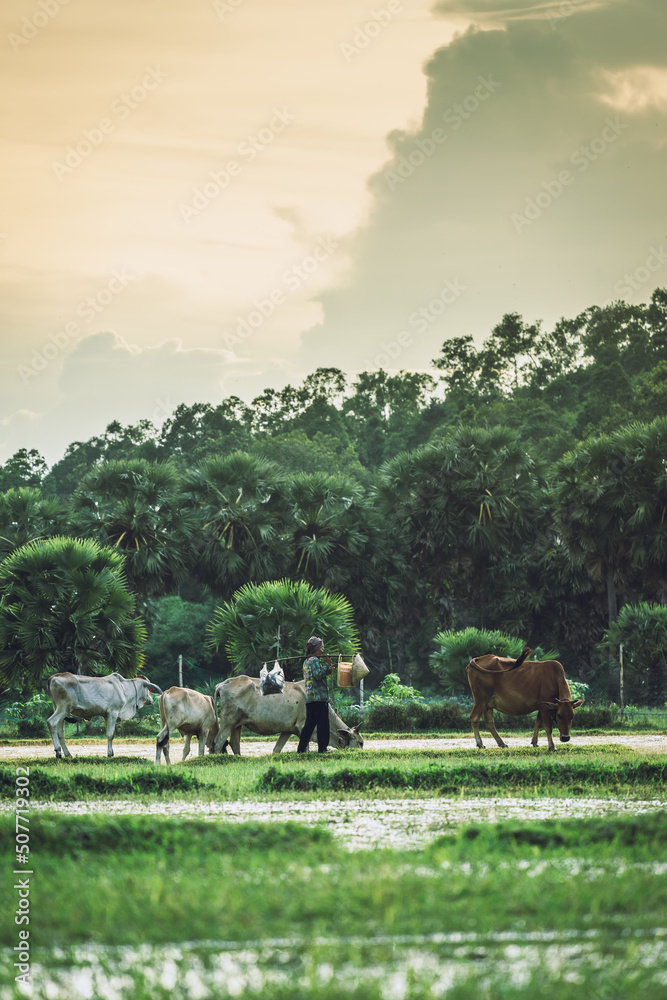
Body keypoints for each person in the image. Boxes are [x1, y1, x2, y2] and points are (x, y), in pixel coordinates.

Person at [296, 635, 333, 753]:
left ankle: (301, 749)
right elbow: (317, 675)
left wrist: (326, 672)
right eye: (321, 647)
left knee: (309, 725)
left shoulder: (307, 661)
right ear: (316, 648)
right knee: (323, 724)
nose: (323, 650)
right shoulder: (315, 660)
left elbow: (315, 675)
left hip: (310, 698)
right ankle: (323, 748)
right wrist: (327, 664)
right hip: (319, 698)